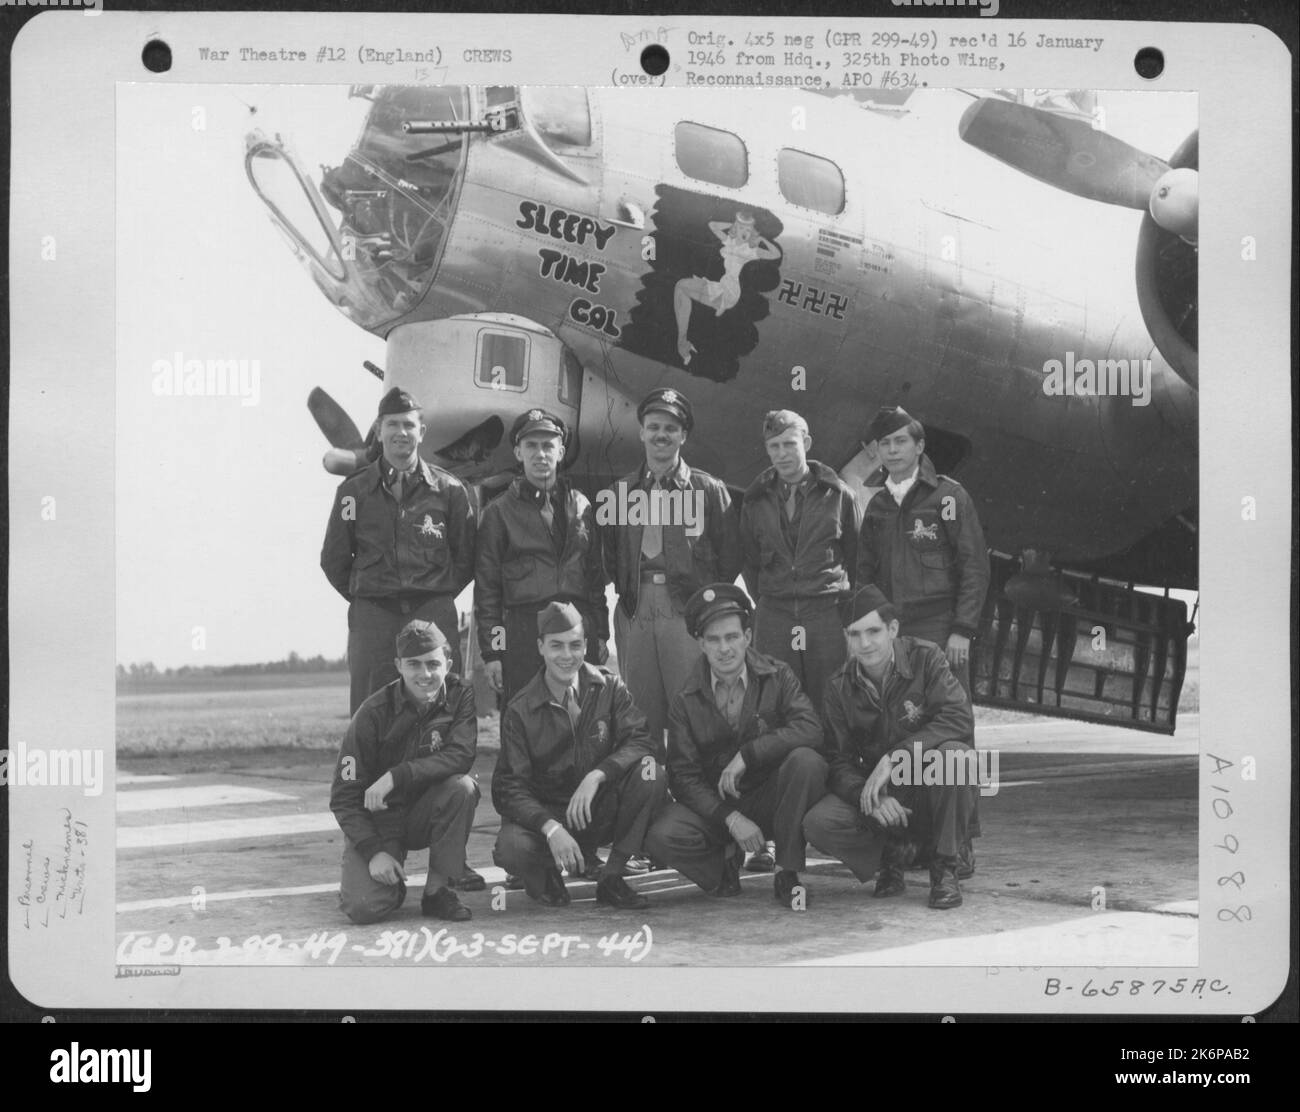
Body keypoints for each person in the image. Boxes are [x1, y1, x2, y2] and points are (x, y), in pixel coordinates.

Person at [320, 386, 482, 891]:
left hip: (432, 608)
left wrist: (429, 598)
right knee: (371, 718)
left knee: (440, 714)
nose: (400, 434)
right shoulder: (353, 493)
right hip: (374, 618)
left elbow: (466, 557)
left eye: (409, 425)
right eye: (391, 426)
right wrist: (374, 597)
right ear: (380, 432)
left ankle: (450, 856)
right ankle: (370, 842)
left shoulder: (451, 492)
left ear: (421, 432)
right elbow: (333, 560)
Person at [856, 404, 990, 873]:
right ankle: (916, 839)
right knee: (901, 730)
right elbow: (866, 579)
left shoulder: (949, 497)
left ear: (919, 447)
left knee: (954, 732)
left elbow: (974, 566)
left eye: (900, 443)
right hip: (895, 636)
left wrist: (962, 630)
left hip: (940, 630)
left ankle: (962, 842)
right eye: (884, 445)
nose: (892, 451)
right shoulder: (875, 506)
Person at [644, 584, 827, 908]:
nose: (724, 648)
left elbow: (811, 728)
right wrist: (729, 818)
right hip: (718, 808)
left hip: (773, 800)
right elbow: (683, 778)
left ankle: (787, 870)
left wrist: (750, 753)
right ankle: (722, 867)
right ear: (700, 643)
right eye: (713, 640)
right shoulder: (685, 700)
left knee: (806, 761)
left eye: (731, 637)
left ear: (748, 636)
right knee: (662, 835)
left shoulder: (778, 675)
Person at [802, 586, 978, 909]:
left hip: (926, 788)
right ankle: (889, 860)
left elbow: (959, 717)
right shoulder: (838, 687)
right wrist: (869, 797)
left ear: (893, 629)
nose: (865, 643)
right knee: (818, 822)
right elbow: (837, 761)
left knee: (957, 757)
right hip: (882, 799)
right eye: (855, 634)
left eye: (873, 631)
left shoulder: (926, 658)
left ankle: (945, 868)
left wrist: (897, 758)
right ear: (846, 637)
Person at [738, 410, 858, 872]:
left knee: (833, 714)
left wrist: (834, 607)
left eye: (790, 444)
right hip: (775, 612)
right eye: (774, 448)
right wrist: (772, 598)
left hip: (825, 610)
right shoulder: (755, 498)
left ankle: (836, 822)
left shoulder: (838, 494)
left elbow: (856, 557)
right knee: (770, 716)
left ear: (807, 441)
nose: (783, 455)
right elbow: (749, 561)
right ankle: (769, 838)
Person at [491, 603, 667, 910]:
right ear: (540, 648)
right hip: (552, 813)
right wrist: (551, 827)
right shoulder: (519, 709)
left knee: (651, 772)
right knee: (511, 847)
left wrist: (598, 775)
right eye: (556, 646)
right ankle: (548, 878)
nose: (567, 655)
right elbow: (509, 788)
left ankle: (611, 878)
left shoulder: (608, 686)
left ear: (586, 646)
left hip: (598, 807)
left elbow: (641, 739)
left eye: (575, 645)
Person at [600, 387, 741, 757]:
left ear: (684, 436)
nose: (662, 434)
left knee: (692, 708)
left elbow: (730, 558)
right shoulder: (621, 492)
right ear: (642, 432)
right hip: (636, 608)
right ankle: (651, 795)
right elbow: (610, 555)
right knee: (641, 713)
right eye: (654, 426)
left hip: (687, 611)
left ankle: (695, 798)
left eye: (671, 428)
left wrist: (705, 610)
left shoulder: (707, 490)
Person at [329, 620, 480, 924]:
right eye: (414, 664)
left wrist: (398, 775)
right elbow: (344, 797)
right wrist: (373, 852)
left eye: (433, 664)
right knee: (363, 908)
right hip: (380, 822)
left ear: (448, 664)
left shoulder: (460, 696)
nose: (425, 675)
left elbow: (460, 755)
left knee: (463, 788)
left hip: (426, 811)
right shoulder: (371, 714)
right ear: (398, 665)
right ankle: (386, 882)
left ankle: (438, 890)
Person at [474, 409, 609, 706]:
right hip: (523, 634)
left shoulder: (582, 506)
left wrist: (600, 636)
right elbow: (487, 591)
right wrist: (493, 653)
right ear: (518, 452)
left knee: (579, 720)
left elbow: (595, 579)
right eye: (531, 446)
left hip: (575, 630)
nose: (540, 454)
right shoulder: (498, 513)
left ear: (561, 452)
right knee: (523, 722)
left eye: (548, 446)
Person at [673, 212, 780, 365]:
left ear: (752, 234)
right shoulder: (729, 242)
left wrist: (762, 239)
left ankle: (683, 346)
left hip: (729, 291)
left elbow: (775, 254)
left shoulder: (750, 251)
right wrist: (733, 224)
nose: (744, 232)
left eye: (748, 230)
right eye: (741, 228)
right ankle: (683, 346)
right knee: (681, 288)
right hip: (721, 286)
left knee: (681, 287)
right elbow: (713, 226)